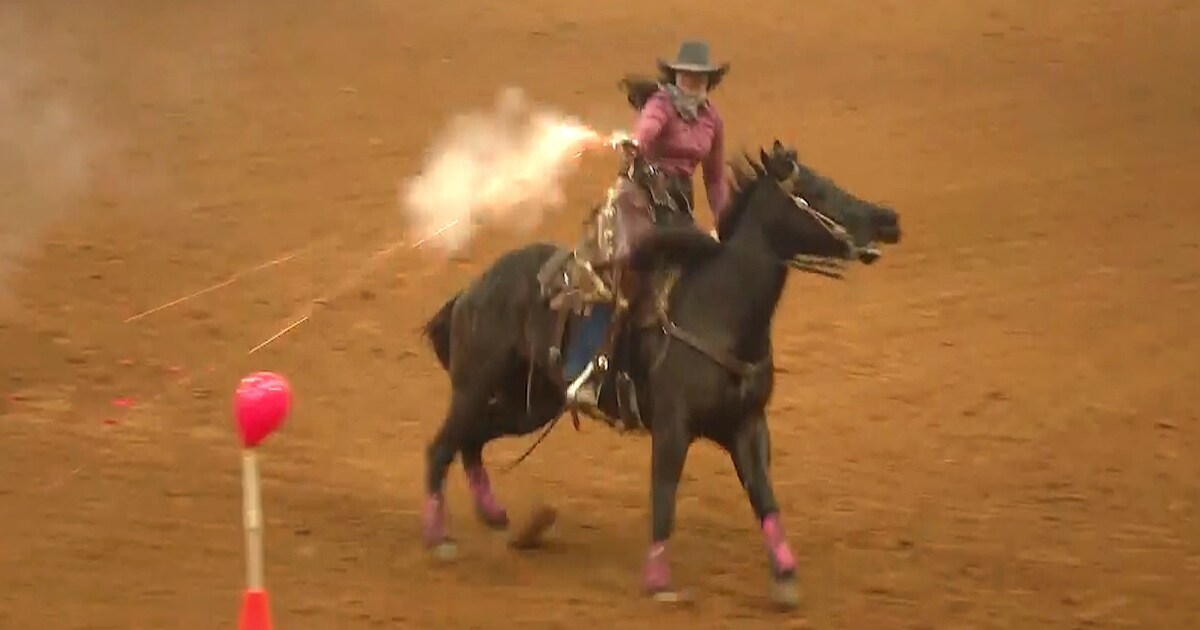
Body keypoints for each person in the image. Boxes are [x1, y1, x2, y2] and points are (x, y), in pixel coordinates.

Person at [563, 40, 731, 410]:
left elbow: (715, 181)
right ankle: (589, 369)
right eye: (686, 76)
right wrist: (636, 143)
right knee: (626, 267)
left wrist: (726, 222)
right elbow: (647, 131)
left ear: (708, 82)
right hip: (636, 200)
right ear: (675, 76)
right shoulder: (660, 104)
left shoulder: (712, 120)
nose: (692, 83)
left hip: (676, 208)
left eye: (699, 78)